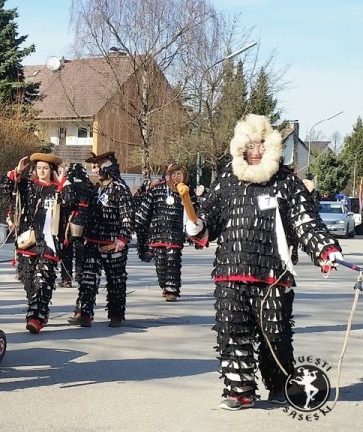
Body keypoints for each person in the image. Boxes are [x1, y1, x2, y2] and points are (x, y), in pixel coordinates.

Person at [186, 114, 343, 410]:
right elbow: (209, 221)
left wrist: (325, 249)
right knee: (232, 330)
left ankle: (279, 383)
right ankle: (239, 390)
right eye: (249, 145)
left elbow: (305, 221)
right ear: (240, 148)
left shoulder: (287, 182)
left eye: (259, 145)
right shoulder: (227, 180)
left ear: (270, 147)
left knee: (275, 334)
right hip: (231, 271)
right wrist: (198, 227)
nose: (254, 151)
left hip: (274, 273)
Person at [1, 152, 69, 334]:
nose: (41, 171)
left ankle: (36, 318)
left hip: (48, 242)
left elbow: (70, 203)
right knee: (28, 279)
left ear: (52, 170)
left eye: (45, 168)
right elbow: (6, 189)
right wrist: (17, 171)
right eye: (39, 168)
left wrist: (62, 182)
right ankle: (39, 312)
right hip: (28, 241)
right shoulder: (29, 186)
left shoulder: (59, 189)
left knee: (43, 281)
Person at [68, 151, 132, 327]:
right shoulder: (94, 189)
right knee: (87, 278)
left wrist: (122, 238)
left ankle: (116, 314)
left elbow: (127, 217)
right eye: (93, 167)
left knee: (116, 280)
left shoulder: (121, 188)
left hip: (113, 243)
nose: (95, 170)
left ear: (108, 167)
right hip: (93, 240)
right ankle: (84, 312)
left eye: (98, 166)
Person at [135, 164, 191, 302]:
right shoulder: (156, 190)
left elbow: (194, 211)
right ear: (168, 176)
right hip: (157, 233)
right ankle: (164, 284)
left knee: (173, 261)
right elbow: (144, 210)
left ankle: (172, 289)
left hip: (175, 234)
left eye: (179, 174)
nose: (176, 178)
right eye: (174, 174)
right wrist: (135, 223)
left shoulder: (186, 192)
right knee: (160, 264)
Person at [132, 179, 154, 262]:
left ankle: (143, 253)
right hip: (146, 220)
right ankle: (145, 253)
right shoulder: (147, 196)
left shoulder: (138, 196)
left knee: (141, 238)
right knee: (145, 238)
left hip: (140, 220)